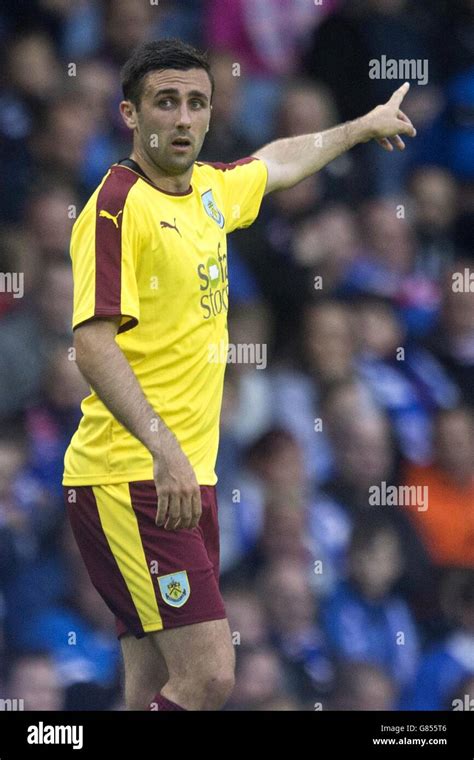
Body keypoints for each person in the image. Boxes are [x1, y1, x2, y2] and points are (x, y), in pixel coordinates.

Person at [61, 37, 417, 712]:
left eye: (198, 102)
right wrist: (163, 450)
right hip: (130, 476)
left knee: (149, 685)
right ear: (131, 115)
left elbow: (276, 162)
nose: (185, 117)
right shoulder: (116, 205)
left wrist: (359, 128)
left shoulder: (209, 193)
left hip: (185, 479)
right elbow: (93, 345)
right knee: (211, 676)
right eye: (166, 102)